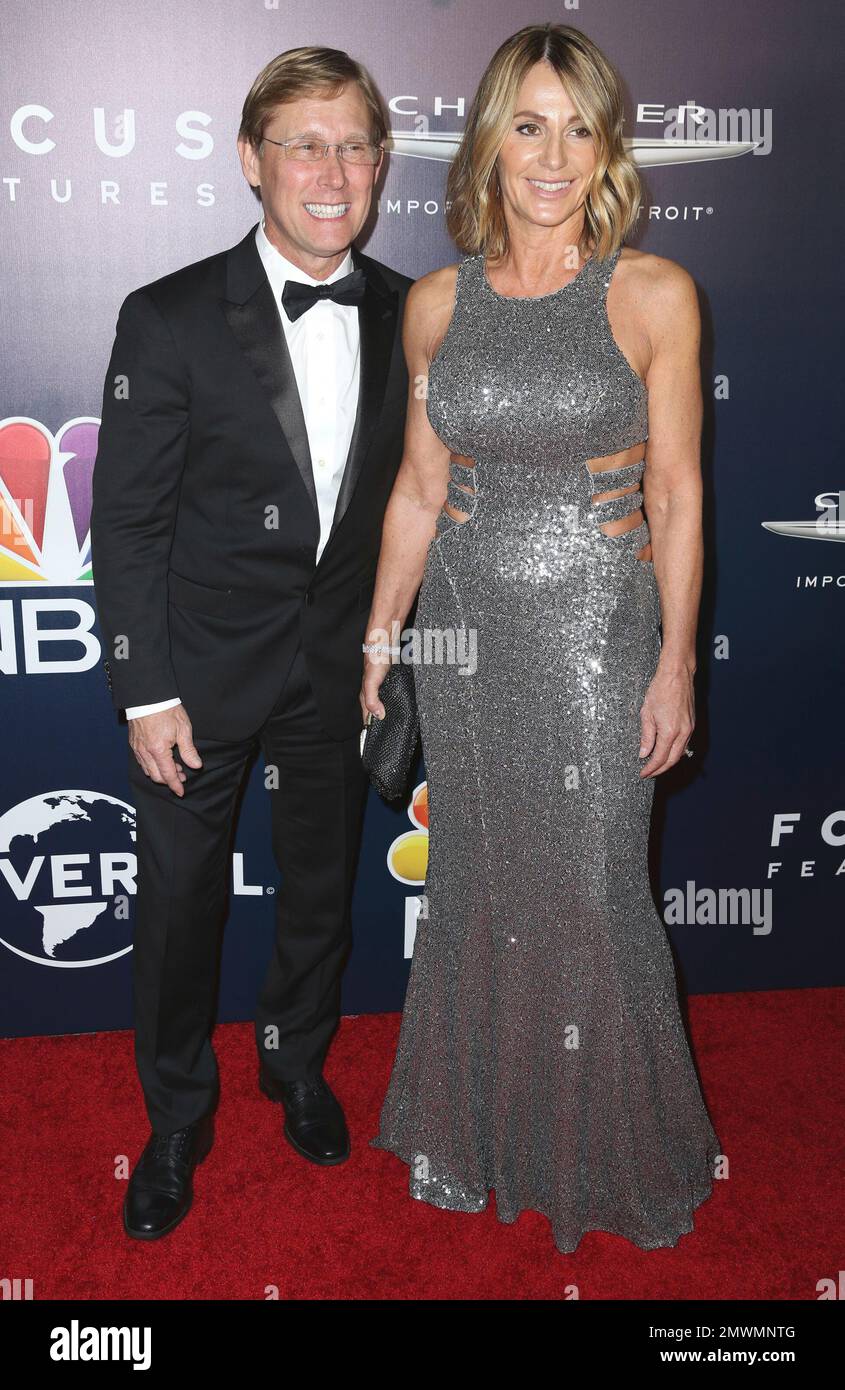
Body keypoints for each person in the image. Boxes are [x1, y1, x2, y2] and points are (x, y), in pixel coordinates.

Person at [363, 22, 722, 1255]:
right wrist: (379, 637)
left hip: (593, 637)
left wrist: (673, 657)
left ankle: (610, 1153)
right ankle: (483, 1136)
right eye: (528, 123)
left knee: (590, 890)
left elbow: (675, 492)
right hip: (462, 644)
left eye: (578, 126)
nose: (553, 153)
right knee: (478, 891)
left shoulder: (653, 293)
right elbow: (417, 486)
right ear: (488, 142)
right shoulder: (433, 304)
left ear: (607, 145)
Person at [91, 46, 412, 1240]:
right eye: (303, 143)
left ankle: (295, 1063)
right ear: (250, 162)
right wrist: (144, 692)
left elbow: (413, 503)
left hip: (339, 673)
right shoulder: (169, 315)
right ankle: (175, 1118)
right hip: (197, 678)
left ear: (379, 166)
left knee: (321, 894)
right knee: (180, 907)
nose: (331, 172)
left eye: (353, 147)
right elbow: (124, 521)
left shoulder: (406, 311)